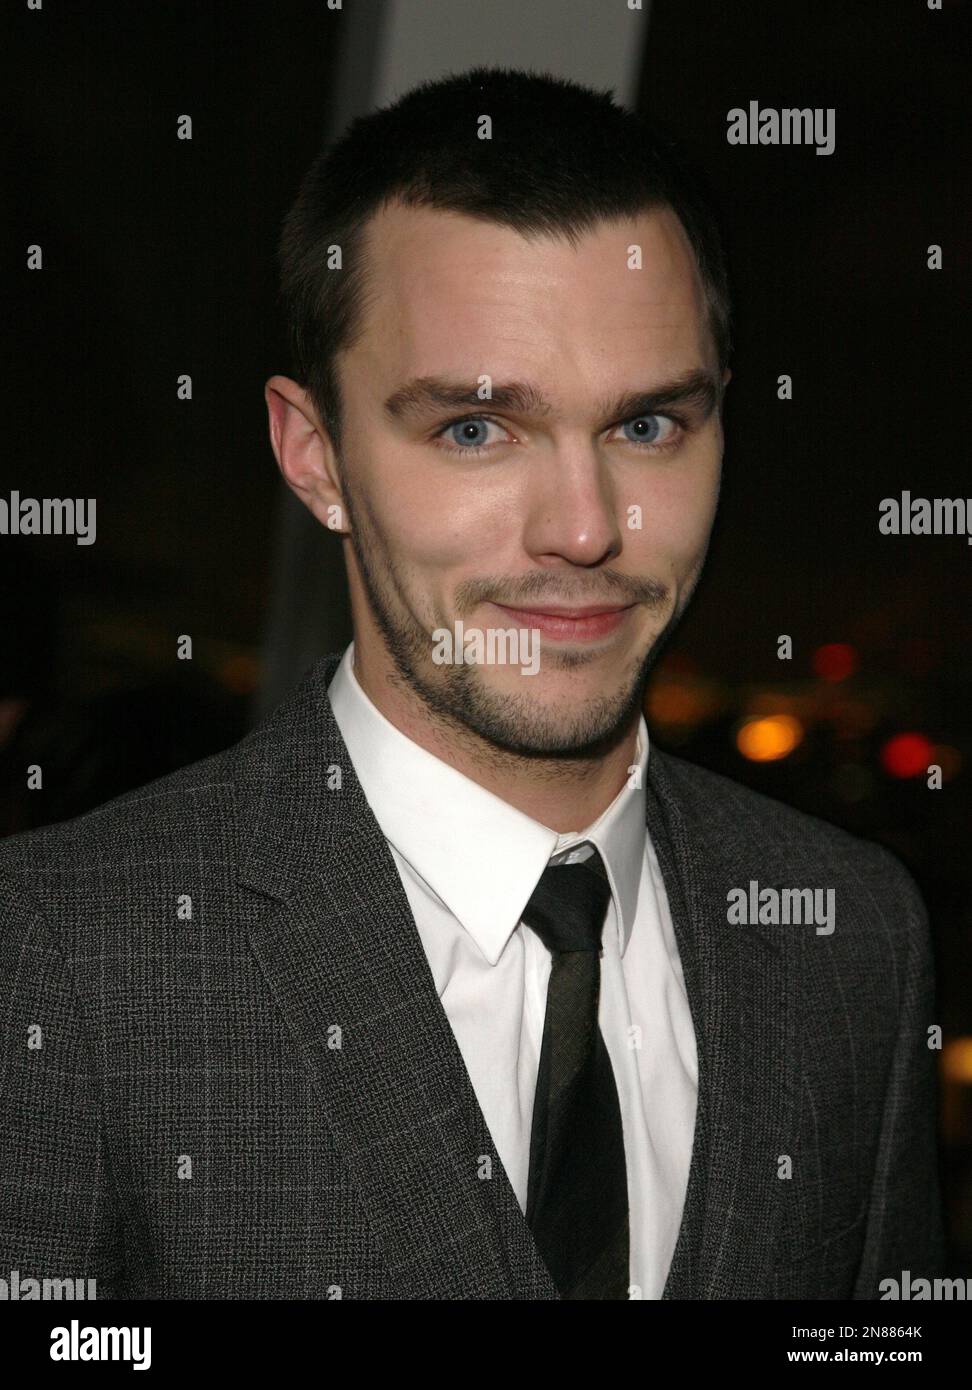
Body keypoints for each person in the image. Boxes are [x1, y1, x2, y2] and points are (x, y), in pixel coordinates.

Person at [0, 67, 944, 1300]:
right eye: (475, 430)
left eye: (648, 425)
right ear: (316, 456)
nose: (585, 529)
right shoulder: (64, 957)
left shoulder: (852, 932)